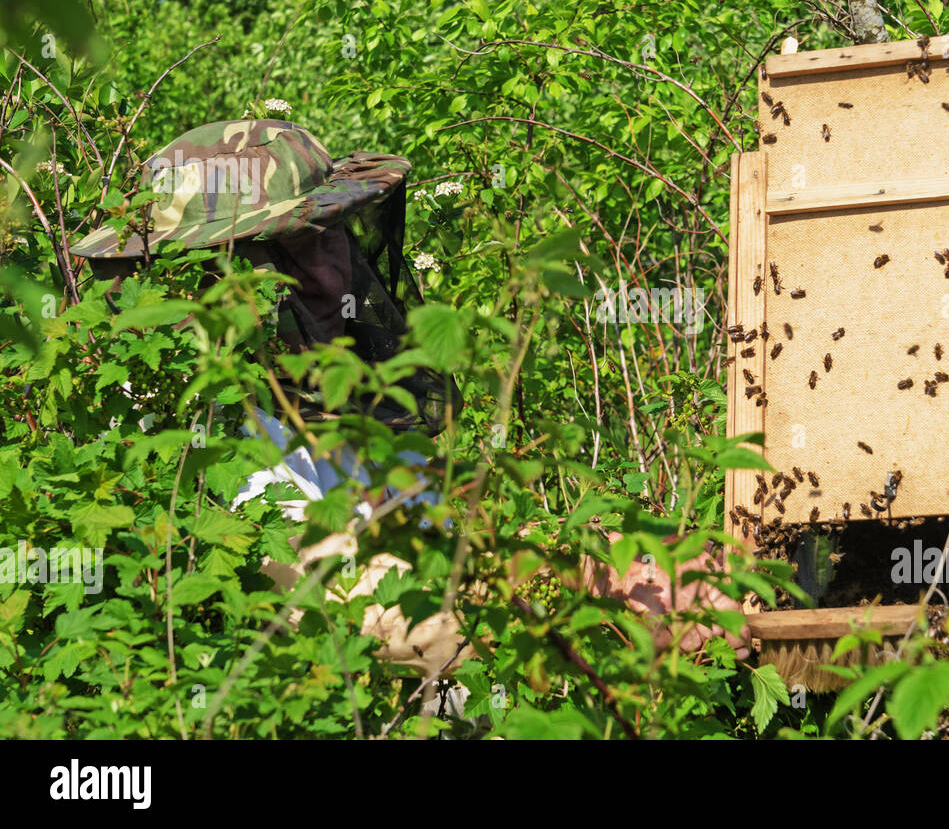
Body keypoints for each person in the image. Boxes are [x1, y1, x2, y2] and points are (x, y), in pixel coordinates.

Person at [69, 118, 749, 687]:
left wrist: (628, 559)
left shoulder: (324, 409)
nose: (332, 274)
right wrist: (589, 598)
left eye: (330, 237)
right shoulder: (189, 436)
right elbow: (357, 603)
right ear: (207, 279)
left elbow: (445, 534)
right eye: (295, 250)